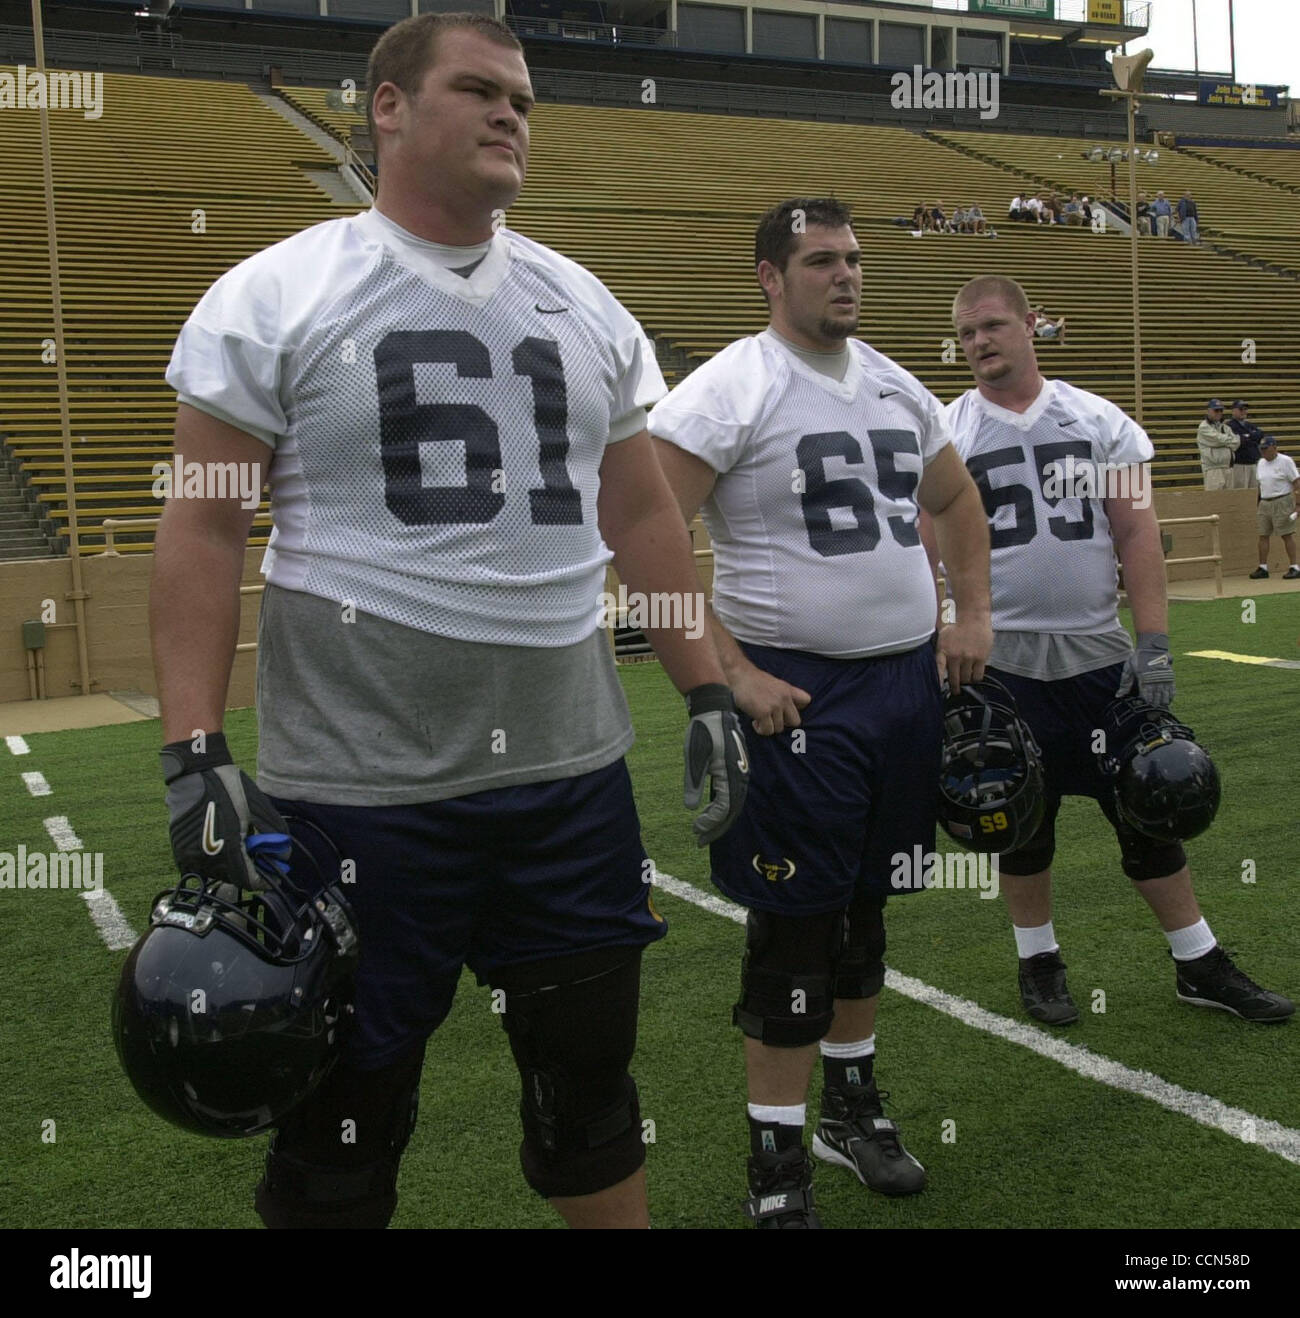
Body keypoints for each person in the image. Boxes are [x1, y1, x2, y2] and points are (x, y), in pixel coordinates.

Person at [153, 10, 750, 1231]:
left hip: (568, 778)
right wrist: (190, 746)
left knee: (590, 1095)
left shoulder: (583, 302)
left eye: (523, 101)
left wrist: (703, 683)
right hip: (358, 792)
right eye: (480, 90)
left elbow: (641, 516)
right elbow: (205, 526)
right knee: (340, 1124)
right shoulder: (275, 292)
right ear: (386, 106)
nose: (509, 116)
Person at [649, 198, 993, 1228]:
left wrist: (969, 612)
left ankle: (850, 1106)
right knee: (792, 929)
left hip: (901, 688)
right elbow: (644, 537)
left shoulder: (896, 383)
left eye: (851, 258)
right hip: (798, 694)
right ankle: (776, 1157)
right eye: (818, 260)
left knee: (868, 909)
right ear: (768, 274)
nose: (843, 275)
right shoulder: (728, 390)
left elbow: (955, 504)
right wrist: (726, 672)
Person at [942, 274, 1292, 1027]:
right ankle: (1038, 961)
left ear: (1032, 323)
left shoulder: (1097, 419)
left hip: (1099, 657)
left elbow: (1135, 533)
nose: (979, 343)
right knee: (1018, 820)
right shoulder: (948, 432)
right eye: (967, 334)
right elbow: (928, 548)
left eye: (993, 326)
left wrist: (1155, 642)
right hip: (1003, 663)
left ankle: (1197, 962)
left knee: (1148, 808)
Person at [1251, 436, 1300, 580]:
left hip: (1282, 499)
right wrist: (1258, 503)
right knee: (1263, 534)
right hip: (1265, 501)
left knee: (1287, 534)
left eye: (1266, 449)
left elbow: (1297, 483)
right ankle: (1263, 567)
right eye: (1262, 449)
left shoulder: (1285, 461)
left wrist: (1297, 505)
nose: (1263, 452)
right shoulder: (1260, 463)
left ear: (1274, 447)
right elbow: (1261, 485)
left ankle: (1294, 566)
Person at [1196, 399, 1238, 491]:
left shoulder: (1225, 427)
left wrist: (1224, 440)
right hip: (1213, 469)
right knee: (1214, 501)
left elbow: (1236, 443)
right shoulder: (1204, 427)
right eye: (1216, 410)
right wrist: (1227, 441)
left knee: (1229, 501)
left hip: (1228, 467)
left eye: (1221, 410)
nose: (1219, 413)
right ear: (1208, 411)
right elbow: (1218, 439)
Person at [1228, 399, 1263, 489]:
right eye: (1241, 409)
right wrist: (1250, 437)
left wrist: (1248, 437)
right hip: (1239, 464)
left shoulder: (1249, 425)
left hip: (1252, 463)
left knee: (1254, 492)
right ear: (1233, 411)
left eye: (1245, 409)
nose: (1244, 411)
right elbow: (1240, 441)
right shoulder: (1229, 426)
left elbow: (1260, 435)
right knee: (1240, 494)